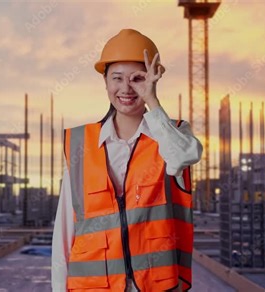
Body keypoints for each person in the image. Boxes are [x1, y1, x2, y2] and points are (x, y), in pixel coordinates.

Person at [51, 28, 203, 292]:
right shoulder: (81, 144)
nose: (126, 88)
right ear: (105, 82)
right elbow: (63, 234)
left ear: (152, 80)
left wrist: (152, 101)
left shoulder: (172, 134)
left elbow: (184, 157)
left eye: (138, 78)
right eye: (117, 78)